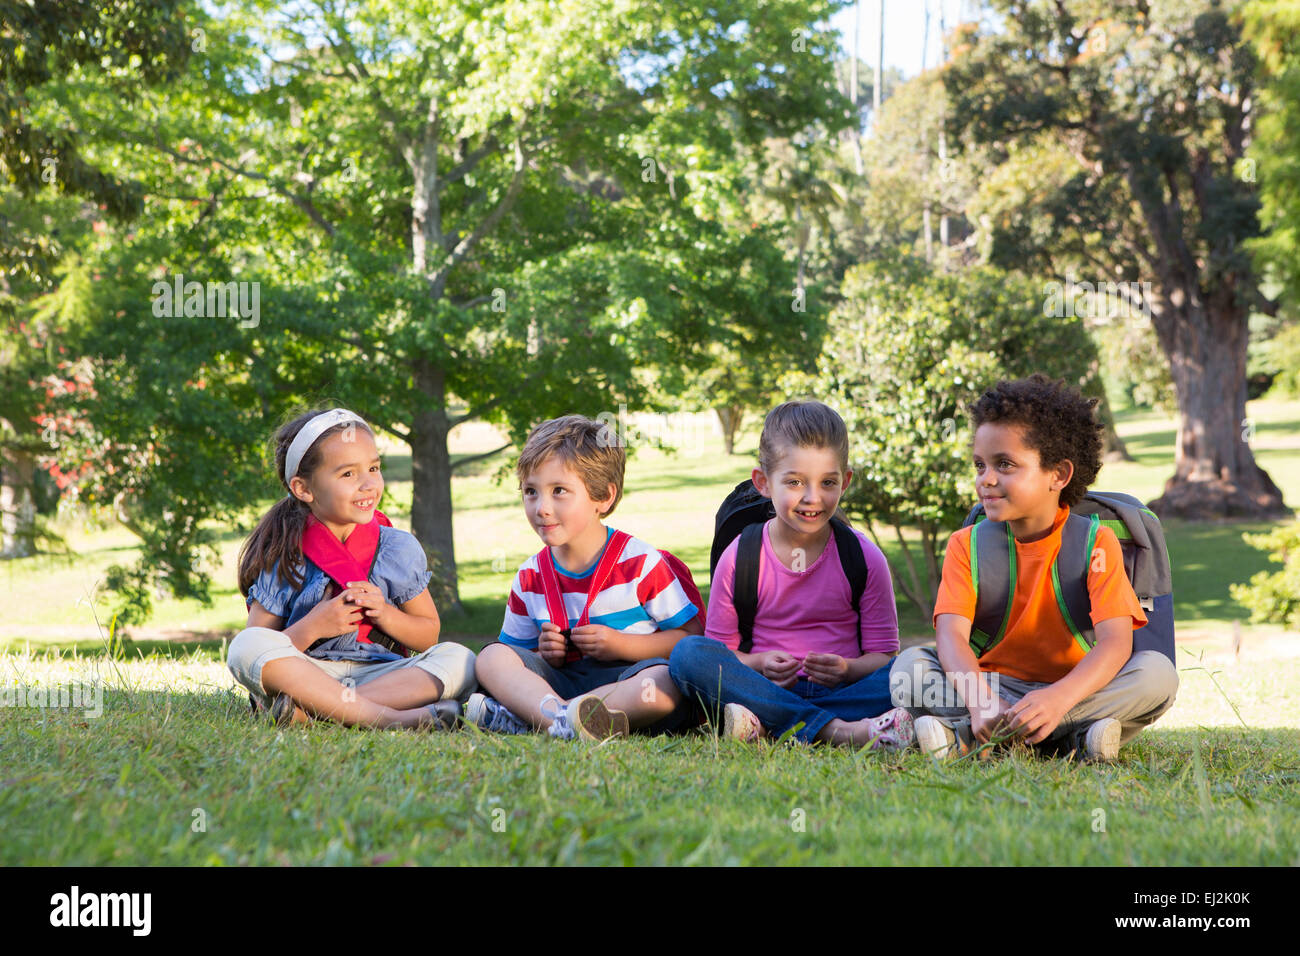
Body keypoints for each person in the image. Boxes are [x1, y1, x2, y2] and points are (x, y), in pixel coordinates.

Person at [891, 375, 1179, 762]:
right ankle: (1075, 740)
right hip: (991, 688)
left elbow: (1115, 643)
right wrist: (981, 702)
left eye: (1005, 464)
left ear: (1058, 475)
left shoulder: (1098, 544)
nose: (986, 479)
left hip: (1076, 689)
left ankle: (969, 739)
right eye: (980, 465)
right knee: (908, 670)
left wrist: (1058, 699)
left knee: (1157, 675)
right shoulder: (966, 546)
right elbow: (951, 638)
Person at [668, 400, 914, 750]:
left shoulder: (863, 557)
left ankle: (771, 724)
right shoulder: (740, 556)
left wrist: (846, 669)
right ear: (763, 482)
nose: (812, 498)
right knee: (688, 655)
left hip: (845, 690)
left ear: (845, 482)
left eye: (827, 482)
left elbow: (883, 658)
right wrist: (758, 663)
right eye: (795, 482)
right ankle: (840, 731)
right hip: (762, 688)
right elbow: (721, 653)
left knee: (915, 668)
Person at [227, 407, 475, 730]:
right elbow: (260, 641)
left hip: (381, 673)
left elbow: (428, 635)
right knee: (244, 648)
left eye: (374, 468)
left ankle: (317, 710)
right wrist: (315, 626)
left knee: (463, 661)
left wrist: (384, 613)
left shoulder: (397, 548)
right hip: (309, 671)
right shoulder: (284, 552)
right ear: (303, 488)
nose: (368, 484)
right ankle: (389, 718)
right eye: (348, 474)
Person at [467, 415, 704, 740]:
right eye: (531, 491)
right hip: (558, 684)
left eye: (559, 491)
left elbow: (687, 640)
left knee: (662, 684)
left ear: (603, 497)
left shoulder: (640, 562)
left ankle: (547, 719)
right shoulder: (529, 577)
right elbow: (516, 658)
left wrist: (620, 643)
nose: (541, 507)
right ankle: (563, 720)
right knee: (492, 657)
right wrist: (544, 652)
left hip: (625, 685)